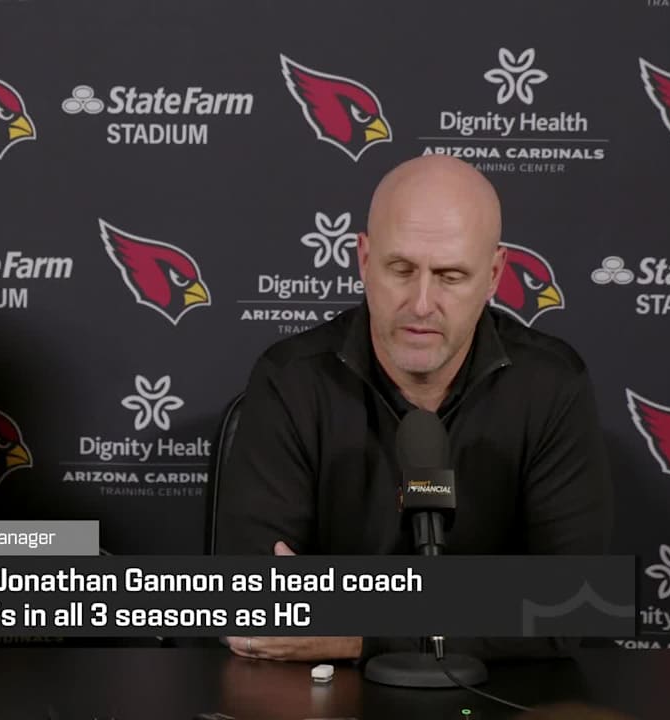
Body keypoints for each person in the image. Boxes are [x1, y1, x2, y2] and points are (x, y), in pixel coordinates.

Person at [215, 155, 611, 662]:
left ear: (493, 275)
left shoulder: (551, 386)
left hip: (500, 695)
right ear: (363, 259)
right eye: (401, 270)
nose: (421, 304)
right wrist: (485, 606)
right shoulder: (291, 380)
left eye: (450, 276)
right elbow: (253, 601)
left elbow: (576, 601)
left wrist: (355, 633)